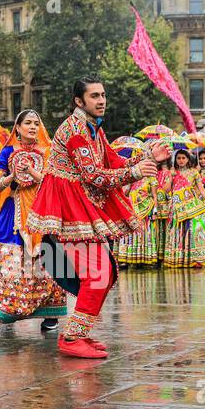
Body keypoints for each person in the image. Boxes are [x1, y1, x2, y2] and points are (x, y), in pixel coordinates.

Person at [26, 78, 163, 358]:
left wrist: (148, 156)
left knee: (105, 272)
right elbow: (93, 175)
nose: (101, 100)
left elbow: (111, 161)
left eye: (103, 95)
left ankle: (79, 334)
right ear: (79, 101)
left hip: (80, 205)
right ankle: (72, 337)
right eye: (94, 96)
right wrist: (136, 172)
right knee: (97, 273)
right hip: (68, 209)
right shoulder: (76, 130)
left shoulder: (93, 129)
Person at [0, 109, 68, 333]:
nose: (33, 127)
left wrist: (32, 172)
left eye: (36, 123)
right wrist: (12, 177)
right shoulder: (6, 152)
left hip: (42, 212)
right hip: (13, 211)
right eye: (28, 123)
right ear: (18, 128)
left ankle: (50, 312)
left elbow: (54, 182)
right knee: (2, 259)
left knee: (45, 260)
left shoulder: (48, 152)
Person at [163, 148, 205, 268]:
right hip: (176, 207)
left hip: (191, 206)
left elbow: (201, 189)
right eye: (178, 158)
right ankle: (179, 259)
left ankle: (194, 258)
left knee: (192, 230)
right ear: (175, 160)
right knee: (178, 232)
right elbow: (166, 190)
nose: (181, 160)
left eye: (183, 158)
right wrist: (171, 177)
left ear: (188, 159)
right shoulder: (172, 172)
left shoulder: (194, 172)